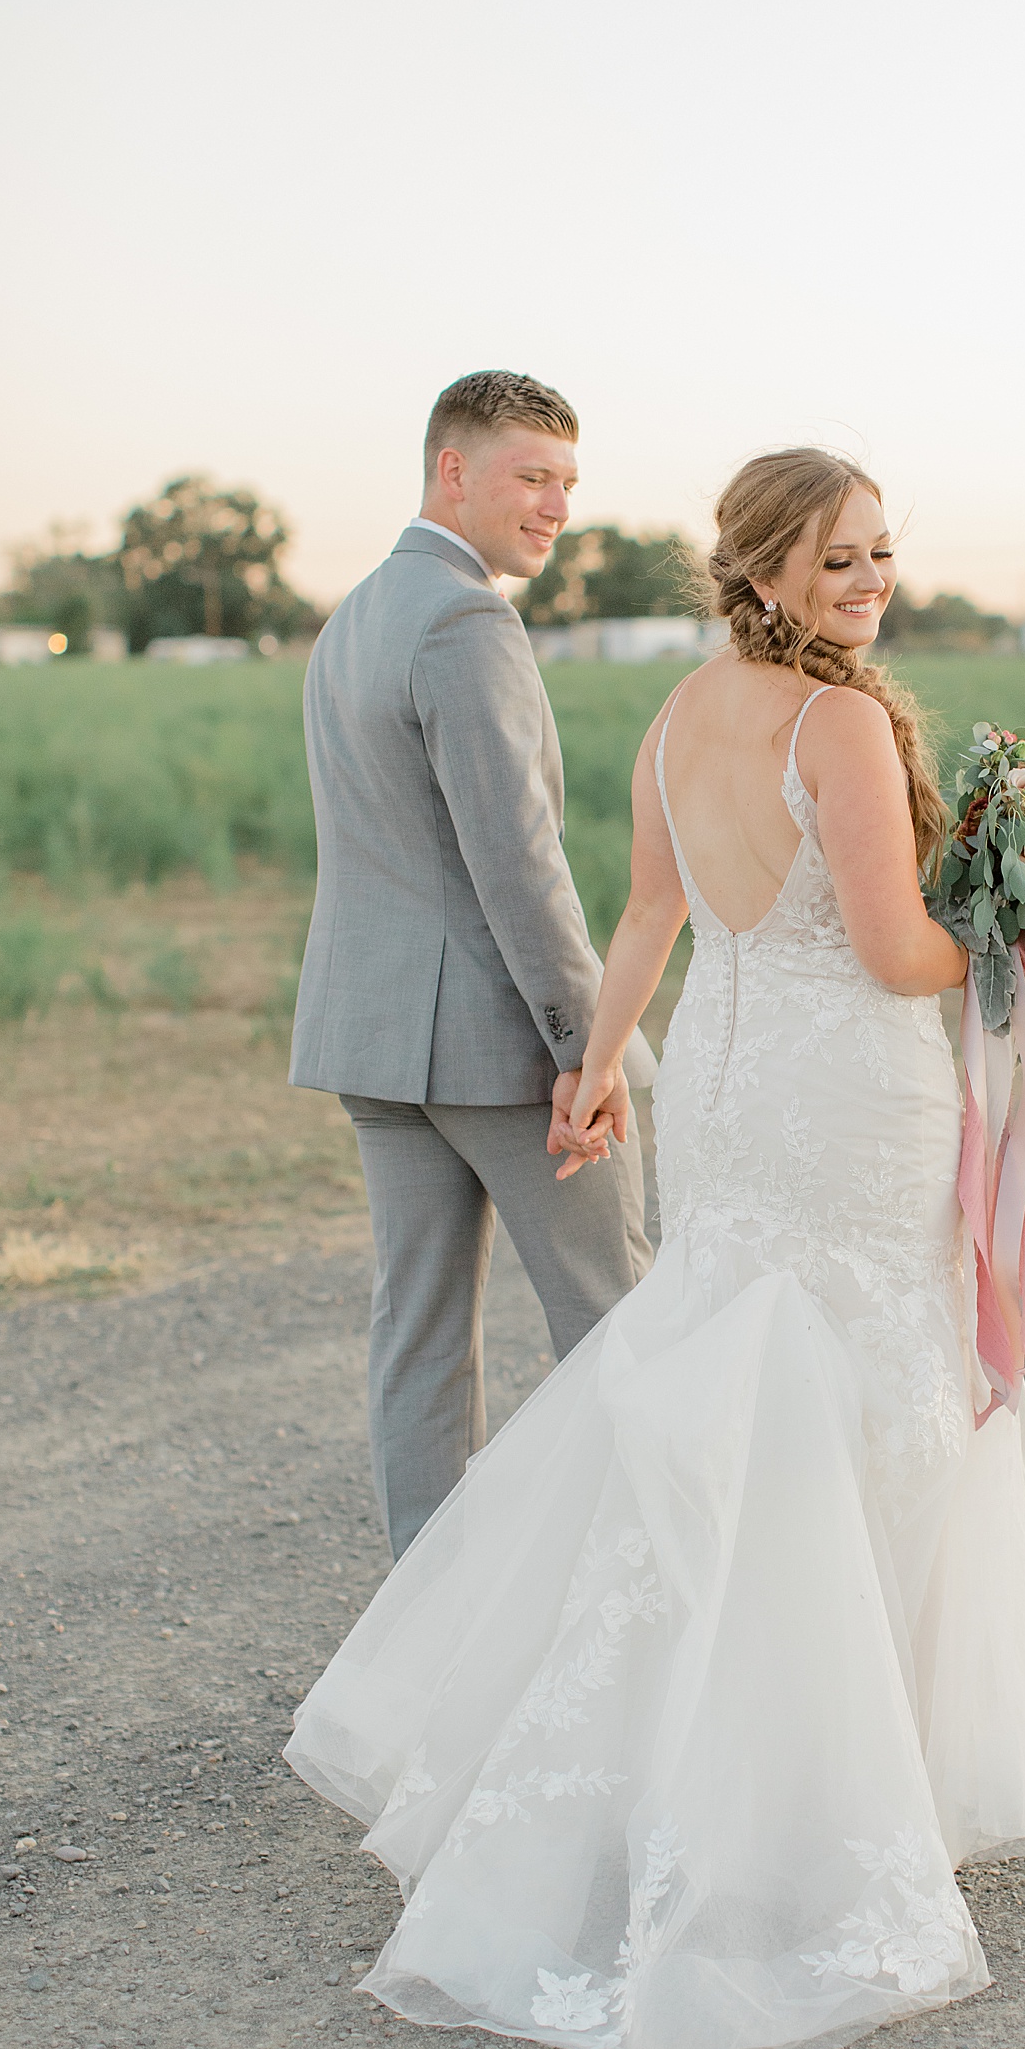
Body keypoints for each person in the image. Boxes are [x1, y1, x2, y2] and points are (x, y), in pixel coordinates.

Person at [285, 448, 1025, 2049]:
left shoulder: (675, 719)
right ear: (768, 568)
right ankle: (817, 1792)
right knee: (879, 1409)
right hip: (846, 1101)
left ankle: (696, 1755)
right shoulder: (840, 722)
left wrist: (599, 1067)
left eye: (882, 555)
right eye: (840, 560)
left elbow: (646, 917)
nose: (870, 583)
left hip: (725, 1091)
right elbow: (894, 953)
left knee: (733, 1399)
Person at [289, 370, 654, 1561]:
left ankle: (421, 1662)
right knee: (621, 1319)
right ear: (454, 468)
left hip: (375, 1041)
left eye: (566, 483)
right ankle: (645, 1613)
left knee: (420, 1340)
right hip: (496, 1051)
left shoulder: (355, 615)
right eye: (530, 476)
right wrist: (585, 1049)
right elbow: (517, 860)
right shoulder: (464, 621)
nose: (555, 506)